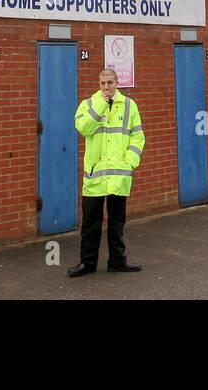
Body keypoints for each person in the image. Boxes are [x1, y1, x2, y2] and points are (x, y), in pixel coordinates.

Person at [68, 68, 146, 276]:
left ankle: (118, 261)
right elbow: (83, 128)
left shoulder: (130, 106)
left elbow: (137, 137)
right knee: (90, 224)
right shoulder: (88, 105)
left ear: (117, 82)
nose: (106, 87)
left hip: (119, 175)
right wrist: (101, 104)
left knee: (117, 222)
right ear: (98, 83)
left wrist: (129, 162)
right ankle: (88, 263)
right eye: (103, 83)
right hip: (95, 176)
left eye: (110, 82)